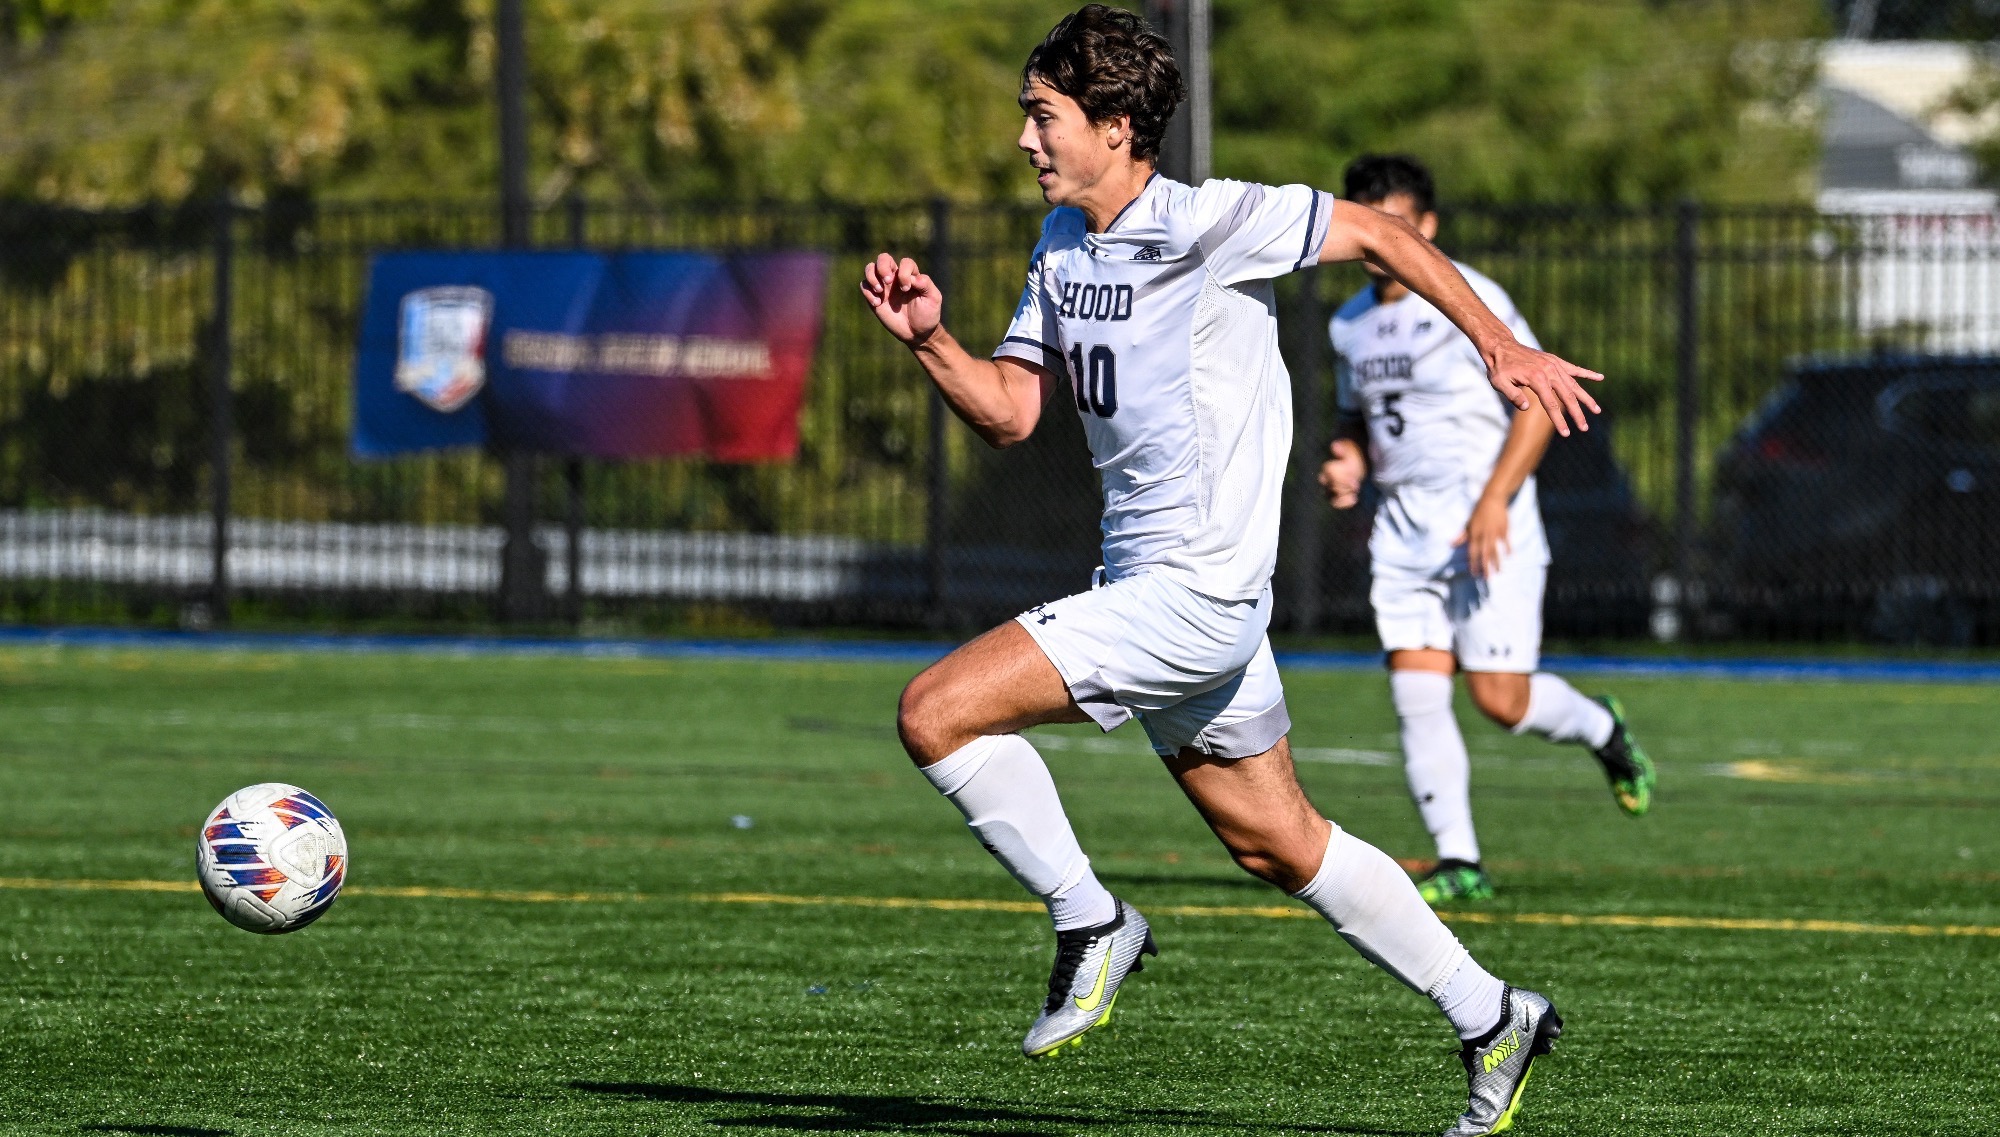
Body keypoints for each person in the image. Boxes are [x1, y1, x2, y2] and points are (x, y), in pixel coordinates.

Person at [859, 9, 1599, 1134]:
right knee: (1277, 842)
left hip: (1189, 596)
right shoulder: (1059, 248)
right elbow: (1011, 414)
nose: (1023, 140)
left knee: (934, 713)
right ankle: (1491, 1013)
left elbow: (1385, 239)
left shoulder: (1211, 221)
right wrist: (929, 341)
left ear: (1114, 126)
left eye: (1041, 116)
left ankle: (1089, 922)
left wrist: (1494, 345)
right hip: (1167, 603)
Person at [1319, 155, 1657, 907]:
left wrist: (1496, 499)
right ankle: (1460, 860)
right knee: (1416, 691)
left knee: (1501, 701)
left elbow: (1537, 399)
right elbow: (1357, 418)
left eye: (1397, 223)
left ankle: (1603, 730)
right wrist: (1344, 458)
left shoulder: (1469, 296)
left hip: (1485, 520)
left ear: (1428, 227)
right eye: (1367, 224)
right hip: (1405, 528)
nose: (1380, 240)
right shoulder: (1348, 323)